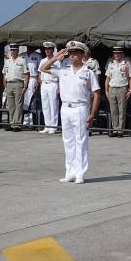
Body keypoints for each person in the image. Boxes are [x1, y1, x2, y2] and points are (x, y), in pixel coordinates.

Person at [40, 41, 100, 184]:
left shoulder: (88, 72)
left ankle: (80, 173)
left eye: (75, 54)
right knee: (68, 142)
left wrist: (92, 114)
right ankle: (70, 172)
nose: (71, 56)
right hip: (65, 108)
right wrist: (56, 57)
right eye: (70, 54)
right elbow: (43, 68)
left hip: (80, 108)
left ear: (82, 55)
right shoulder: (63, 70)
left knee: (81, 141)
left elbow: (96, 93)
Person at [104, 46, 131, 137]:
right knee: (113, 110)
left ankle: (120, 130)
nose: (116, 55)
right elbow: (107, 78)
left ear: (122, 54)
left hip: (122, 88)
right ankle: (115, 129)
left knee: (122, 110)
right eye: (115, 53)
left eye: (118, 53)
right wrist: (106, 90)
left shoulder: (126, 64)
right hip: (112, 88)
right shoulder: (111, 64)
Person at [2, 44, 29, 131]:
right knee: (11, 105)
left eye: (14, 50)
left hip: (18, 83)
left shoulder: (22, 61)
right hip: (9, 83)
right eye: (12, 50)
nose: (13, 52)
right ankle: (12, 123)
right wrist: (5, 86)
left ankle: (17, 124)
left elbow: (26, 74)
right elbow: (4, 74)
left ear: (18, 51)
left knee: (18, 105)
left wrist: (25, 86)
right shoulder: (7, 61)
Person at [37, 42, 60, 134]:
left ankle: (53, 126)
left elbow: (60, 74)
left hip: (53, 83)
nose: (47, 50)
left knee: (53, 106)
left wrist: (59, 87)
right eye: (46, 49)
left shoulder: (57, 61)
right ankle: (47, 125)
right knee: (45, 106)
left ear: (52, 50)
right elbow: (39, 72)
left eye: (49, 49)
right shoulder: (43, 60)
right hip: (44, 84)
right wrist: (40, 81)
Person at [22, 46, 41, 125]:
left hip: (33, 78)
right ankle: (24, 121)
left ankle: (31, 121)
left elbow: (40, 69)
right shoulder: (22, 55)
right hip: (23, 78)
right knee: (24, 100)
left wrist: (38, 81)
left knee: (32, 100)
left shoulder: (38, 56)